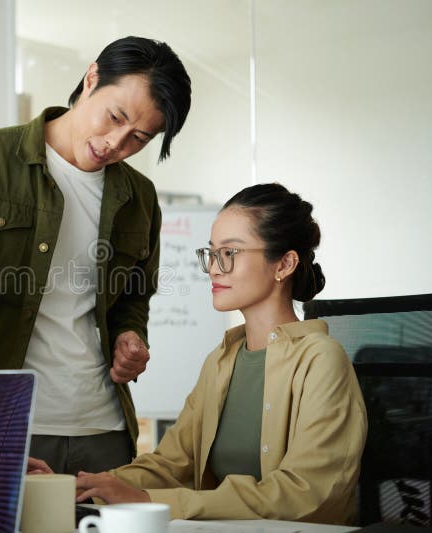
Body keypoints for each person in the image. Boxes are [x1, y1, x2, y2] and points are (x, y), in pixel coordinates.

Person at [29, 183, 368, 525]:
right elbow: (171, 464)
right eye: (212, 253)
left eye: (230, 253)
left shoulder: (321, 360)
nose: (214, 268)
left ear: (284, 264)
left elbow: (304, 493)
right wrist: (81, 486)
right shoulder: (222, 361)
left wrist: (146, 500)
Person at [0, 36, 192, 474]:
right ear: (91, 79)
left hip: (103, 430)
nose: (115, 143)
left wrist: (131, 337)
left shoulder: (139, 196)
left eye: (139, 138)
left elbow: (133, 298)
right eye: (115, 117)